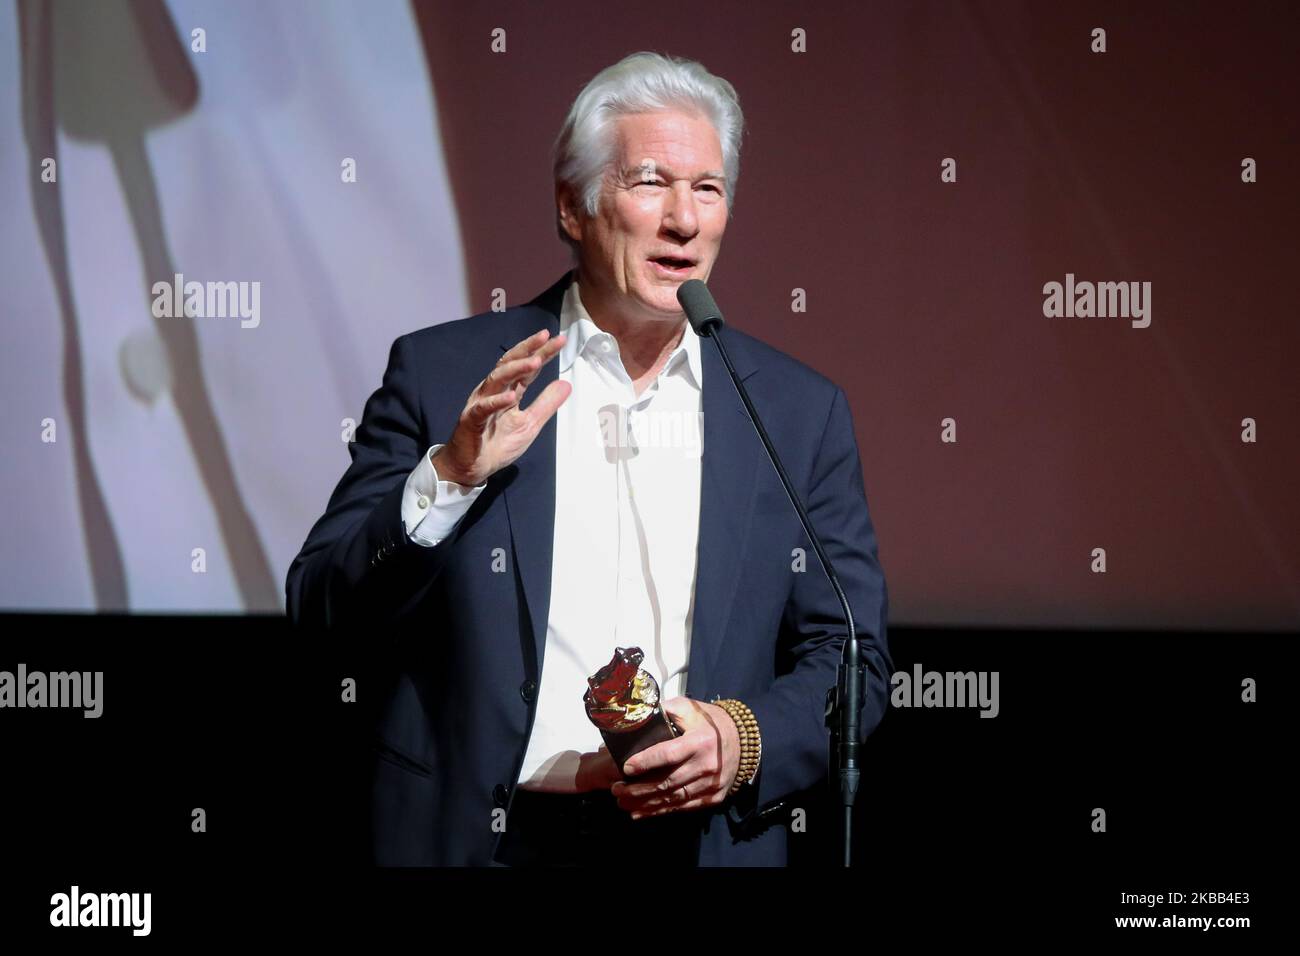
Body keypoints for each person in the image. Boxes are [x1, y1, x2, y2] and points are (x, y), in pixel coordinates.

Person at [286, 51, 891, 866]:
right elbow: (322, 606)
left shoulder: (793, 411)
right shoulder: (446, 378)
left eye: (707, 190)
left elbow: (851, 658)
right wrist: (450, 478)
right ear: (574, 207)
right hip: (482, 840)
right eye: (650, 183)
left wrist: (738, 740)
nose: (685, 219)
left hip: (697, 845)